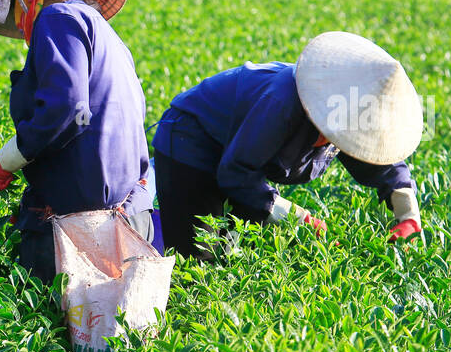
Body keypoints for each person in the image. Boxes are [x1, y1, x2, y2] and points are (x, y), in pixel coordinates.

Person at [0, 0, 156, 284]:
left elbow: (66, 109)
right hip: (130, 215)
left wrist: (6, 160)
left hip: (81, 225)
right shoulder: (107, 34)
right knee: (121, 334)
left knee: (51, 331)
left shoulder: (57, 17)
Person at [151, 31, 424, 261]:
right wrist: (298, 217)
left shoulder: (351, 116)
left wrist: (407, 213)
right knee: (200, 254)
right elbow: (236, 173)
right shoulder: (283, 103)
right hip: (192, 143)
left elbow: (381, 163)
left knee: (233, 249)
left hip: (241, 160)